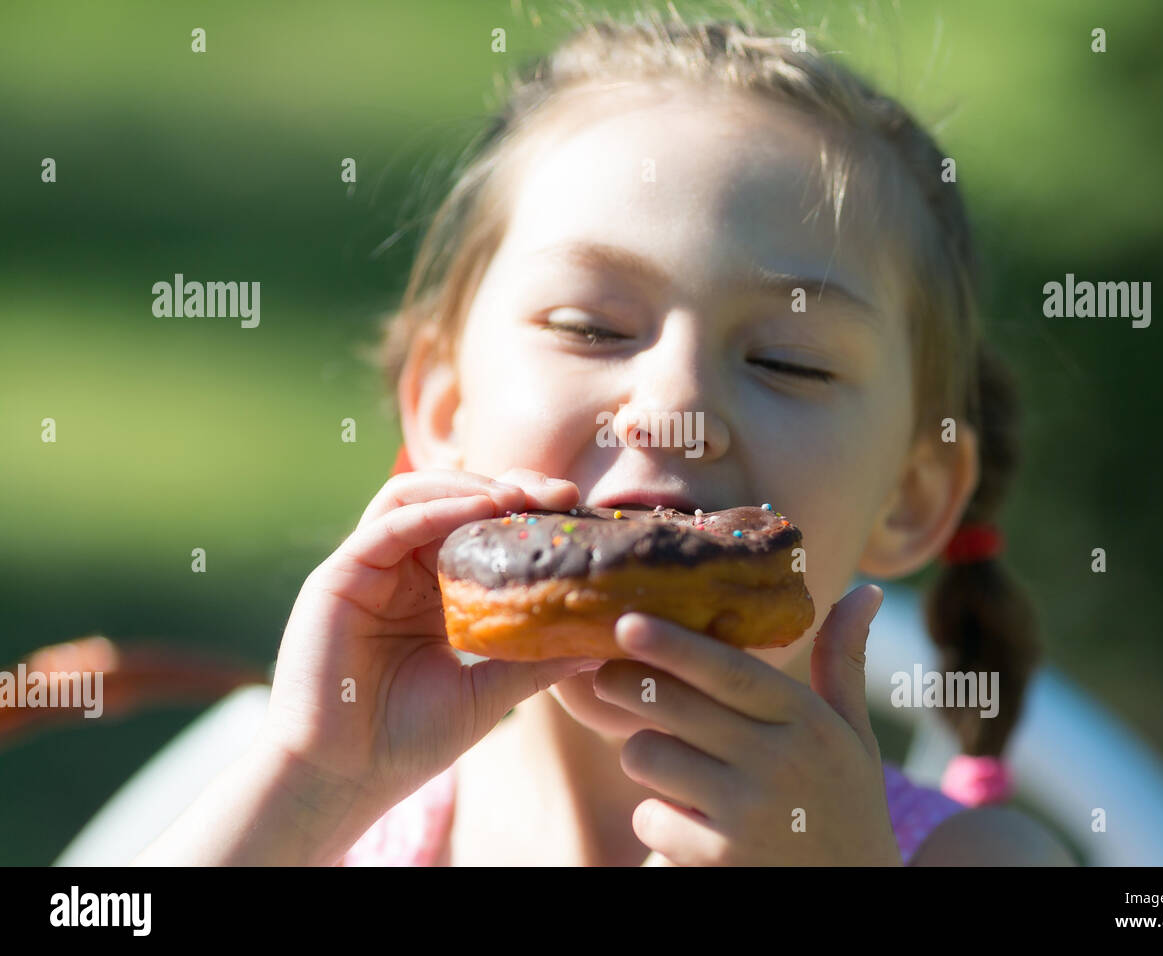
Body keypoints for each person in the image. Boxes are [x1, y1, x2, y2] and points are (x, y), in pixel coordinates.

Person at [135, 9, 1075, 867]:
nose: (673, 407)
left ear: (911, 498)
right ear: (444, 411)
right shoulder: (338, 825)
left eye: (790, 361)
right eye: (590, 328)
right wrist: (313, 788)